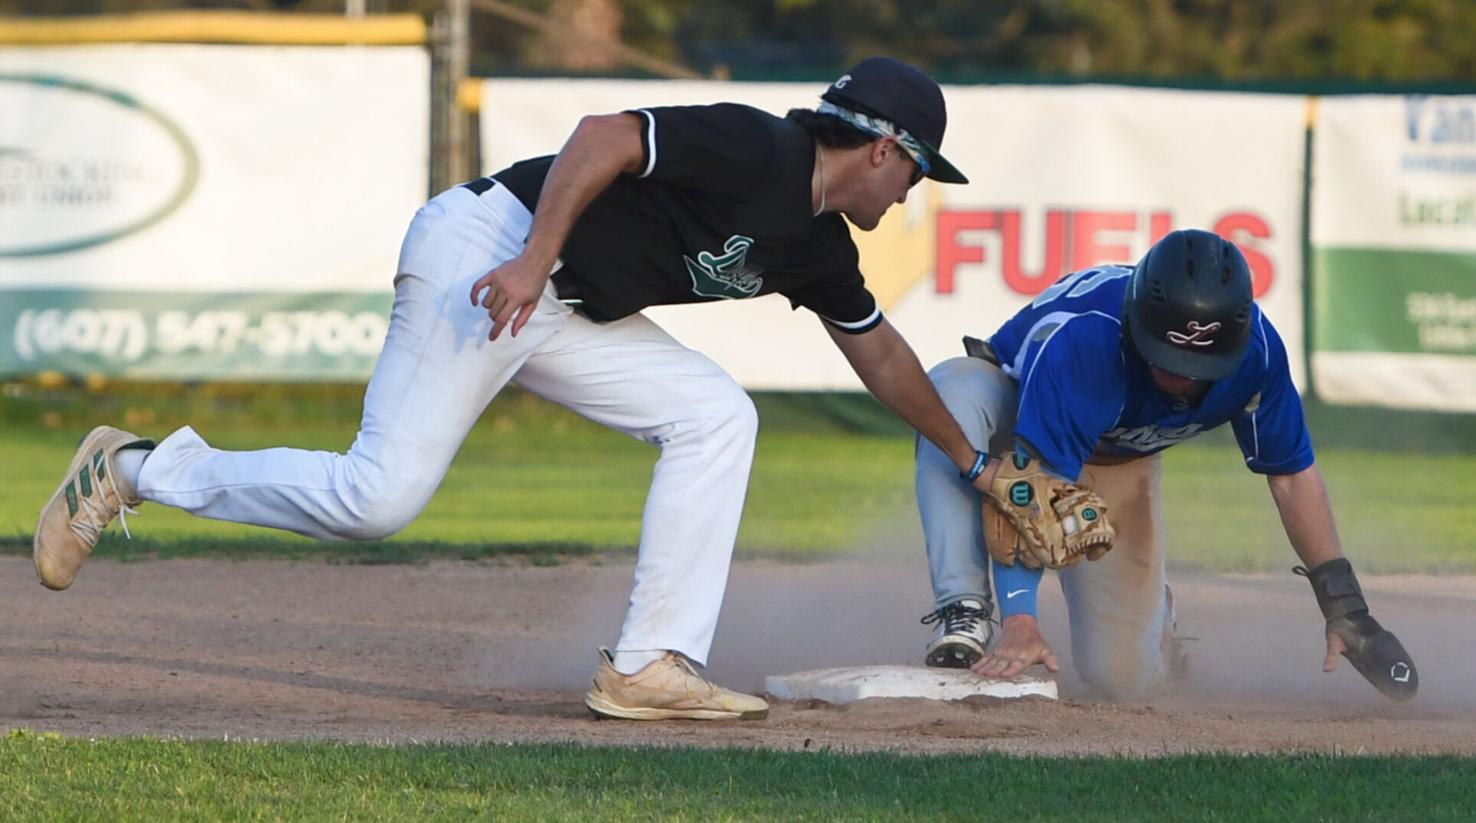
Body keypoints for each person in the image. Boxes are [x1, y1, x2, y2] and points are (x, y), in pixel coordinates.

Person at [34, 57, 996, 721]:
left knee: (713, 412)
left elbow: (880, 355)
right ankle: (135, 468)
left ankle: (648, 664)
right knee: (378, 498)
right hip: (490, 252)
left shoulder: (820, 246)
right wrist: (535, 257)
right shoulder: (765, 149)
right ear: (880, 146)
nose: (913, 193)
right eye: (916, 170)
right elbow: (604, 135)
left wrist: (976, 465)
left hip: (566, 306)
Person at [914, 229, 1418, 701]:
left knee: (1122, 680)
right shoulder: (1090, 343)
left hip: (1117, 458)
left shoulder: (1258, 355)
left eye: (1199, 367)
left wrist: (1346, 609)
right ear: (1137, 323)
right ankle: (964, 610)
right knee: (955, 390)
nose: (1180, 376)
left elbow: (1290, 475)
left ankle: (1157, 611)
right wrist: (1020, 620)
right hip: (1016, 418)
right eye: (1166, 358)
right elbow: (1030, 490)